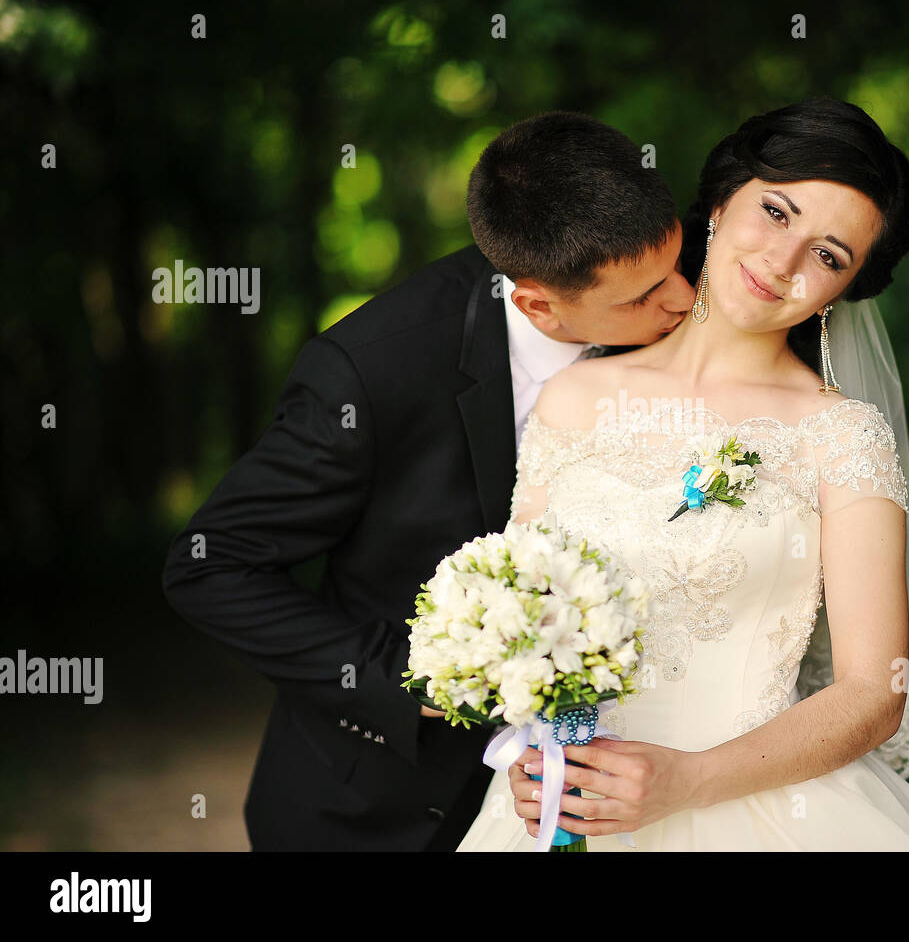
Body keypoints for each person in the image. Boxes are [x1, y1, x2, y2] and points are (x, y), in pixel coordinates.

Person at [160, 111, 695, 851]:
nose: (683, 301)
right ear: (537, 300)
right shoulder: (372, 372)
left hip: (609, 804)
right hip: (377, 812)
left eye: (676, 266)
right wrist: (415, 677)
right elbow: (211, 566)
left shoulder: (689, 313)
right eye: (642, 297)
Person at [457, 97, 909, 851]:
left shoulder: (843, 436)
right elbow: (520, 612)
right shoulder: (572, 399)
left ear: (844, 291)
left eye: (829, 256)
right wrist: (531, 747)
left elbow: (872, 691)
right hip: (572, 803)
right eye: (777, 211)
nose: (783, 260)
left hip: (763, 807)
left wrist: (687, 780)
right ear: (723, 201)